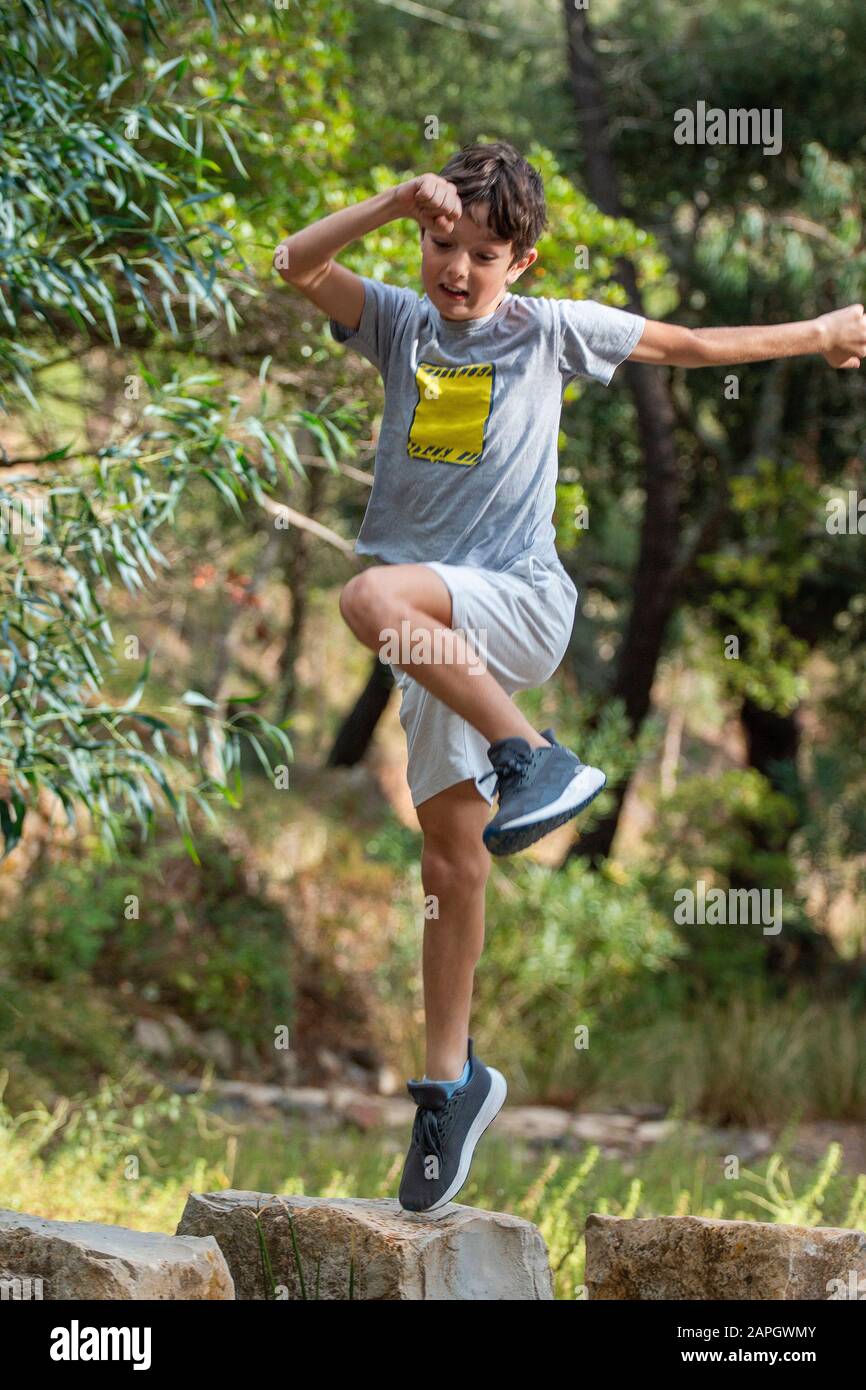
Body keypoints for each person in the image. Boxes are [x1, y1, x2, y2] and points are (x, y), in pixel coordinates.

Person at [274, 141, 866, 1213]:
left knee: (365, 598)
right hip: (439, 646)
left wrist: (821, 332)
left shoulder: (546, 330)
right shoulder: (402, 323)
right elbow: (296, 263)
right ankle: (451, 1085)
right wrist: (392, 200)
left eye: (483, 255)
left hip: (515, 603)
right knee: (449, 861)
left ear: (523, 261)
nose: (456, 269)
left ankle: (535, 755)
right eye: (440, 243)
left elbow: (688, 343)